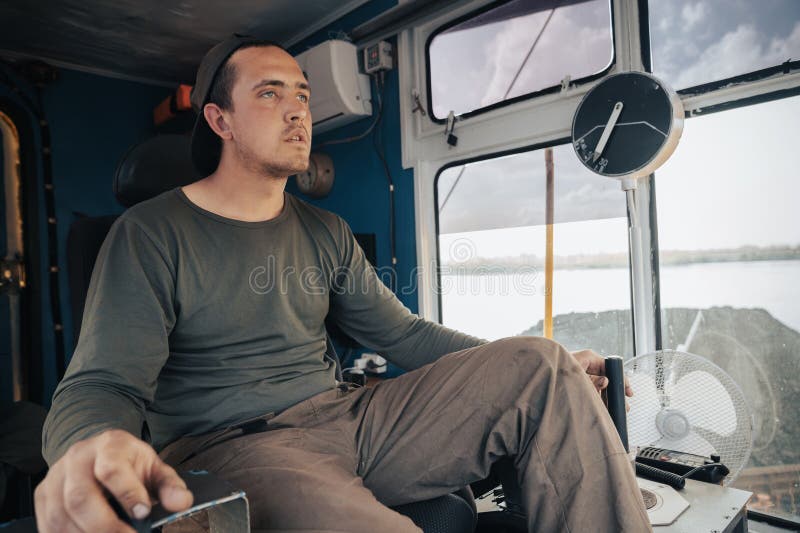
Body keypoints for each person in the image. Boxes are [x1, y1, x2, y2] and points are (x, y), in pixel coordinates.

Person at [35, 36, 651, 533]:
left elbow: (403, 334)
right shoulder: (150, 233)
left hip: (351, 417)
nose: (298, 110)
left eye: (302, 95)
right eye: (270, 93)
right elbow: (103, 382)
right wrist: (88, 448)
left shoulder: (324, 229)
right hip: (238, 447)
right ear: (220, 120)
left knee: (542, 364)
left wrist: (542, 360)